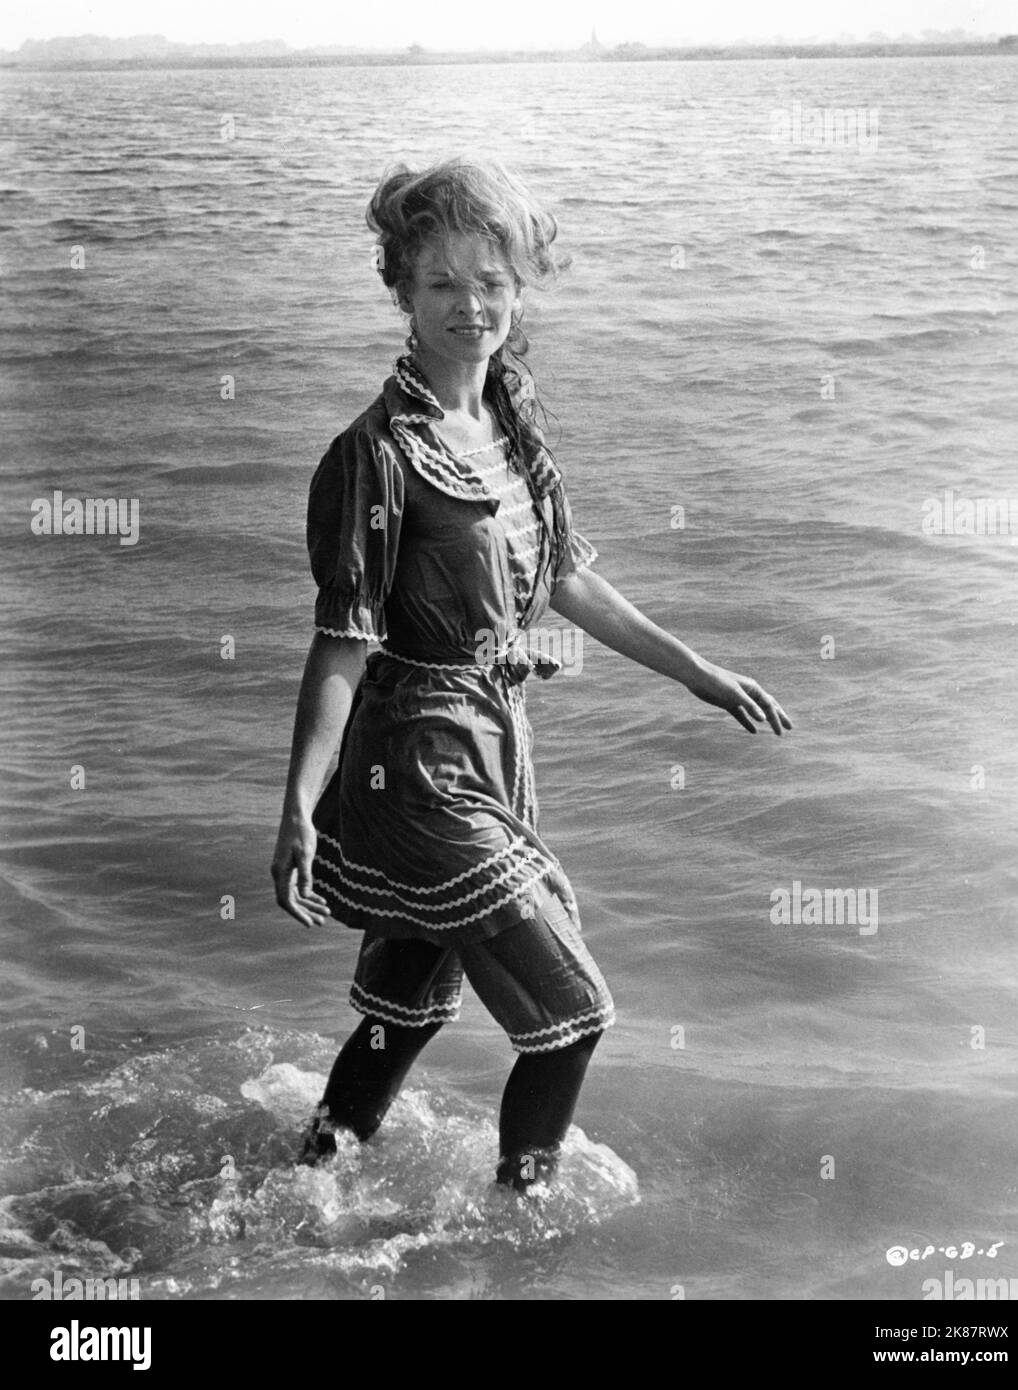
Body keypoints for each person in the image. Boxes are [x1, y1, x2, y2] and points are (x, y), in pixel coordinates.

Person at [272, 158, 792, 1194]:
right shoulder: (374, 456)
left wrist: (696, 669)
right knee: (571, 1015)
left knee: (403, 1006)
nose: (471, 306)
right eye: (441, 284)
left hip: (494, 742)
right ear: (401, 290)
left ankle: (300, 1184)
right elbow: (342, 643)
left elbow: (562, 577)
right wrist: (295, 805)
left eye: (492, 281)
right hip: (415, 766)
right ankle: (524, 1218)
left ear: (521, 286)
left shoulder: (507, 420)